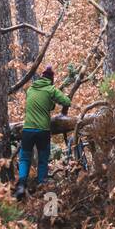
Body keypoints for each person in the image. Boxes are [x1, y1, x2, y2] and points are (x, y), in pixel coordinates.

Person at [15, 66, 72, 200]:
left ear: (41, 77)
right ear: (51, 79)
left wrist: (50, 104)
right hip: (43, 131)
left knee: (24, 158)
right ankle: (42, 186)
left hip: (27, 130)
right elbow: (66, 101)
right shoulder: (51, 89)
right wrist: (54, 102)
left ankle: (21, 185)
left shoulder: (30, 89)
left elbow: (39, 104)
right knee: (43, 159)